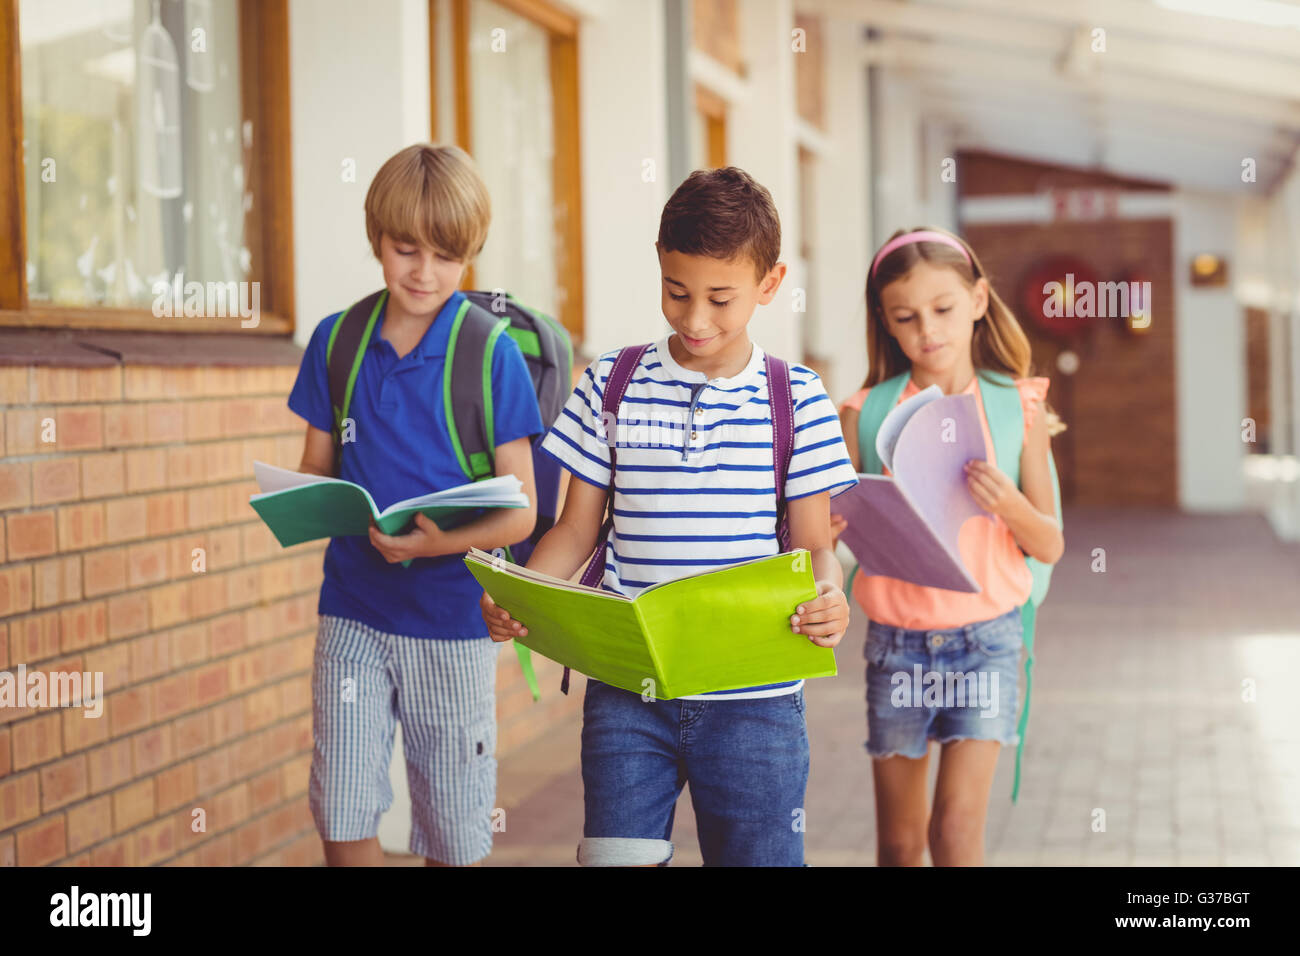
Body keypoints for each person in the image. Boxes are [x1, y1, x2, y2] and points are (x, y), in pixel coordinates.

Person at [482, 167, 859, 866]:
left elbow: (812, 546)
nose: (694, 319)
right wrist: (523, 595)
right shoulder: (612, 382)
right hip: (630, 693)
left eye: (721, 298)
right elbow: (574, 529)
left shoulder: (796, 398)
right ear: (659, 263)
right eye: (676, 292)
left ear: (770, 285)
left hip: (757, 703)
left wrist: (829, 595)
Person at [287, 144, 544, 866]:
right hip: (353, 611)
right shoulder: (337, 341)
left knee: (453, 827)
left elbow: (520, 513)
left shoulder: (489, 353)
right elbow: (317, 466)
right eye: (406, 250)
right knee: (340, 807)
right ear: (377, 239)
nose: (424, 273)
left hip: (451, 623)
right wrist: (299, 502)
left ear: (470, 255)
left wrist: (430, 544)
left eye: (445, 256)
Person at [836, 226, 1065, 866]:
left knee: (957, 834)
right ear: (884, 323)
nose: (927, 331)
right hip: (897, 647)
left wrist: (1008, 504)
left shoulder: (1016, 406)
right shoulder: (864, 412)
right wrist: (832, 529)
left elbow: (1049, 544)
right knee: (901, 843)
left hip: (988, 644)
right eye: (905, 318)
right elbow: (840, 531)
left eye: (943, 310)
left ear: (980, 300)